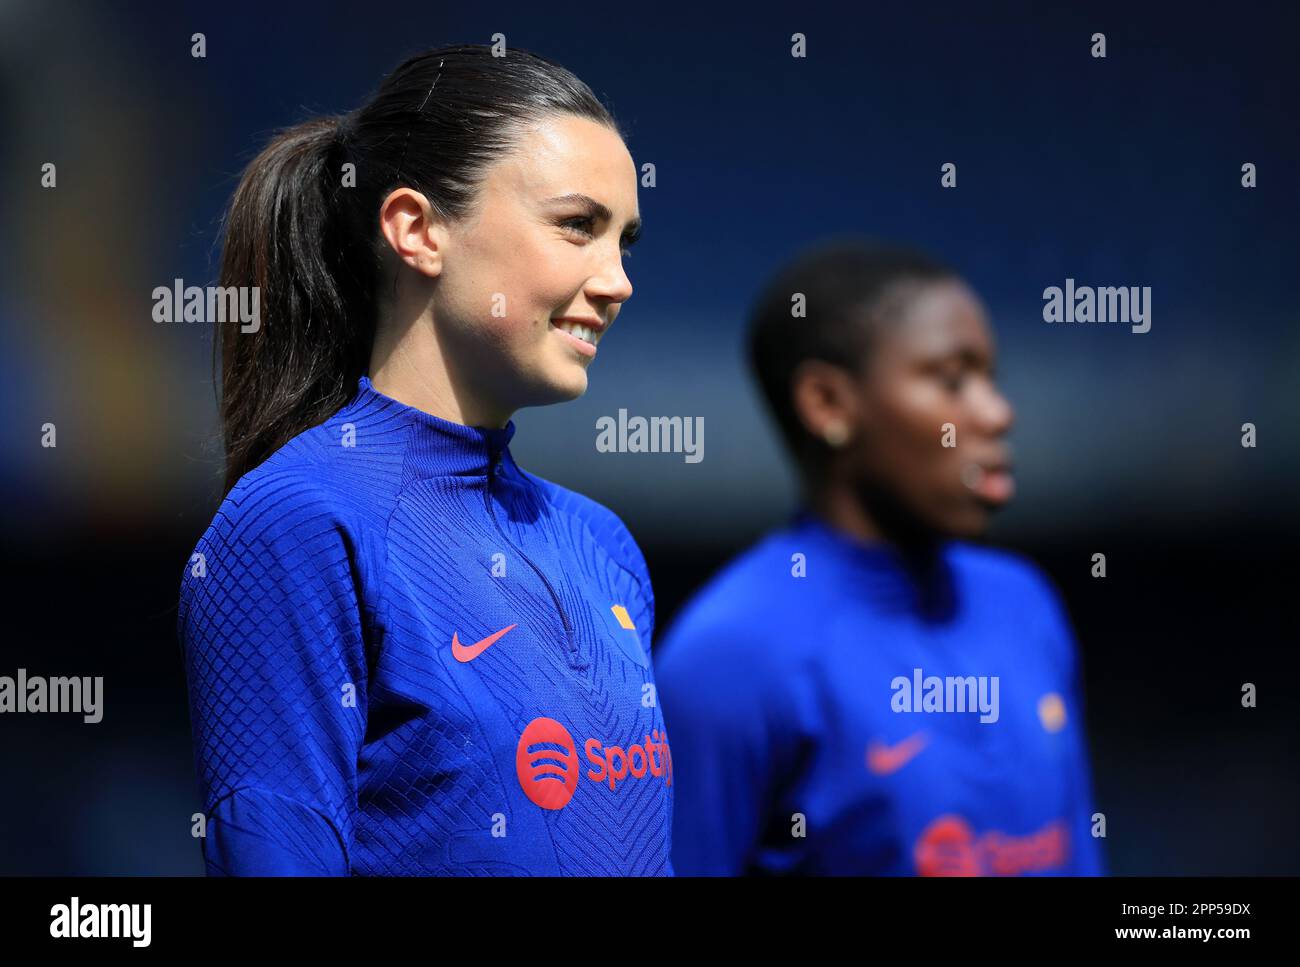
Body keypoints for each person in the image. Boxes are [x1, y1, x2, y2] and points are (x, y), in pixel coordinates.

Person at [176, 44, 671, 875]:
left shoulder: (604, 545)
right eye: (577, 226)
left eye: (625, 240)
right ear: (417, 230)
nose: (616, 280)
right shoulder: (297, 521)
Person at [655, 240, 1105, 876]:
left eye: (990, 380)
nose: (998, 413)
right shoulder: (731, 656)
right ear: (828, 405)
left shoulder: (1022, 603)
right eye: (952, 381)